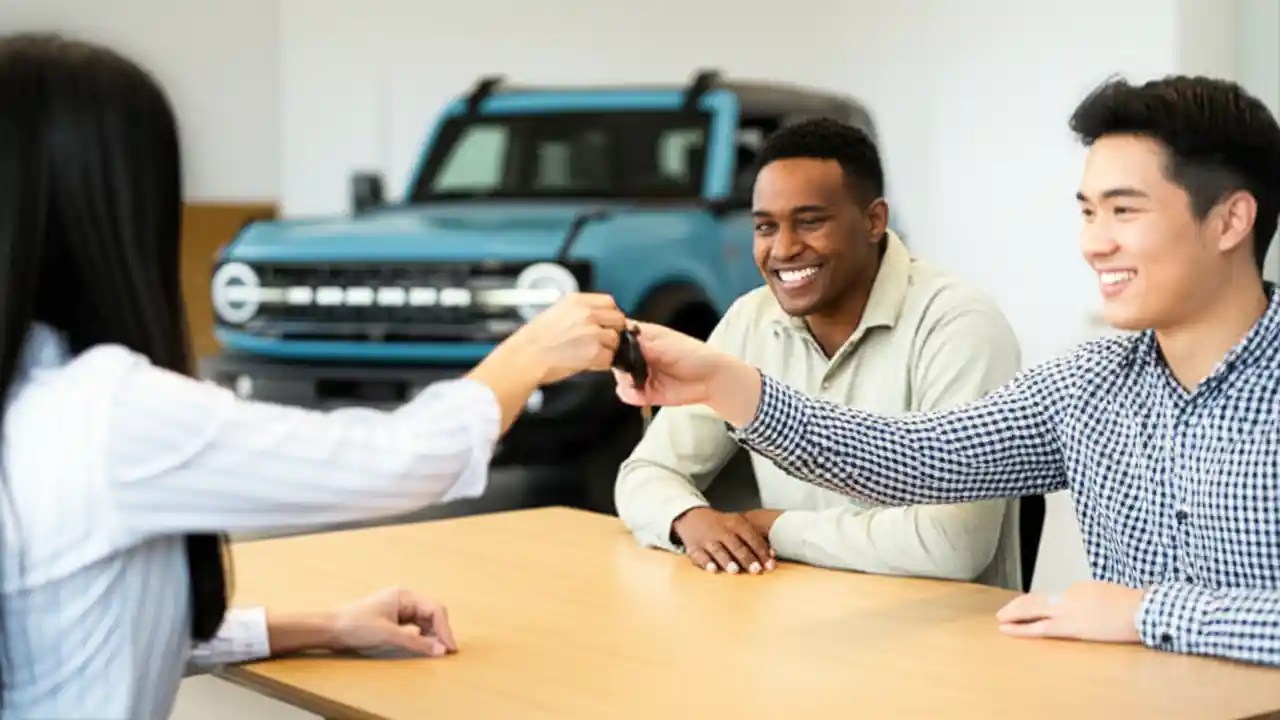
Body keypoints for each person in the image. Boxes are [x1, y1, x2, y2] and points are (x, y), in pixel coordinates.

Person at [0, 34, 626, 717]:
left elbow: (79, 628)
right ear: (115, 204)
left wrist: (327, 626)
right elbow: (400, 460)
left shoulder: (33, 398)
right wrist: (531, 351)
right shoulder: (106, 414)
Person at [616, 75, 1280, 667]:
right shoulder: (1092, 382)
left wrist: (1145, 614)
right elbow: (919, 457)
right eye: (1087, 211)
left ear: (1230, 221)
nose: (1093, 241)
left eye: (1124, 210)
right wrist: (724, 383)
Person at [614, 118, 1026, 589]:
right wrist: (688, 518)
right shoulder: (751, 318)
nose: (784, 248)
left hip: (942, 642)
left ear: (874, 221)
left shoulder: (959, 324)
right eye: (765, 227)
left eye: (810, 222)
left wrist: (774, 528)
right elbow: (647, 472)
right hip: (794, 624)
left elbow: (951, 544)